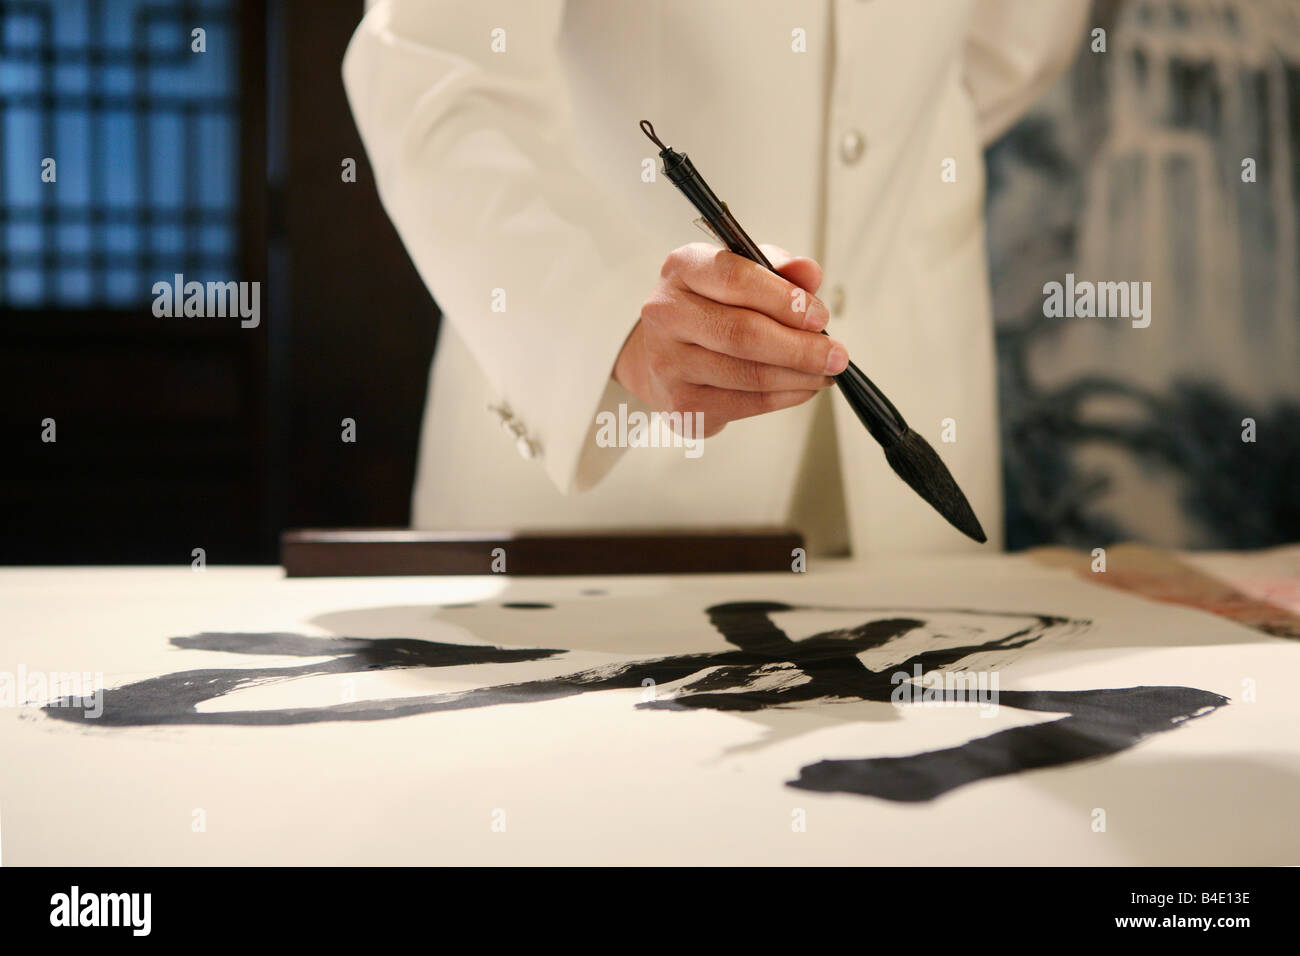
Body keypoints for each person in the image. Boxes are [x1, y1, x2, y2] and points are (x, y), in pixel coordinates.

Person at [343, 0, 1088, 555]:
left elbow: (1017, 42)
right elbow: (432, 68)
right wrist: (609, 318)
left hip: (913, 502)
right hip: (601, 498)